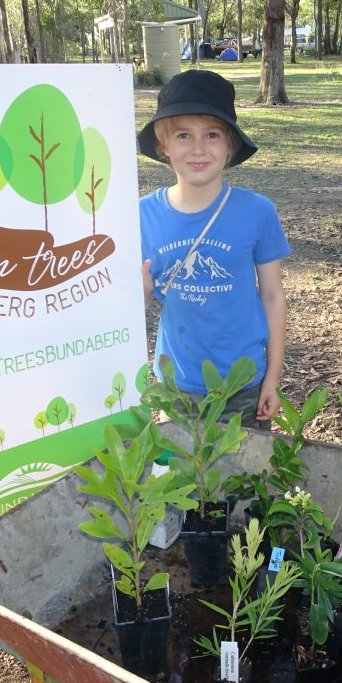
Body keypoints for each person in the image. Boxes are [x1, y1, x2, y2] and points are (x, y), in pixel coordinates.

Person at [138, 69, 289, 429]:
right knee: (181, 465)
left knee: (245, 466)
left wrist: (272, 378)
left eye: (212, 134)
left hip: (243, 384)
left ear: (230, 145)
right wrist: (139, 294)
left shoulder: (257, 212)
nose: (198, 148)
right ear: (163, 145)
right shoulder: (140, 216)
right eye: (183, 135)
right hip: (178, 386)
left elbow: (272, 297)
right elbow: (130, 307)